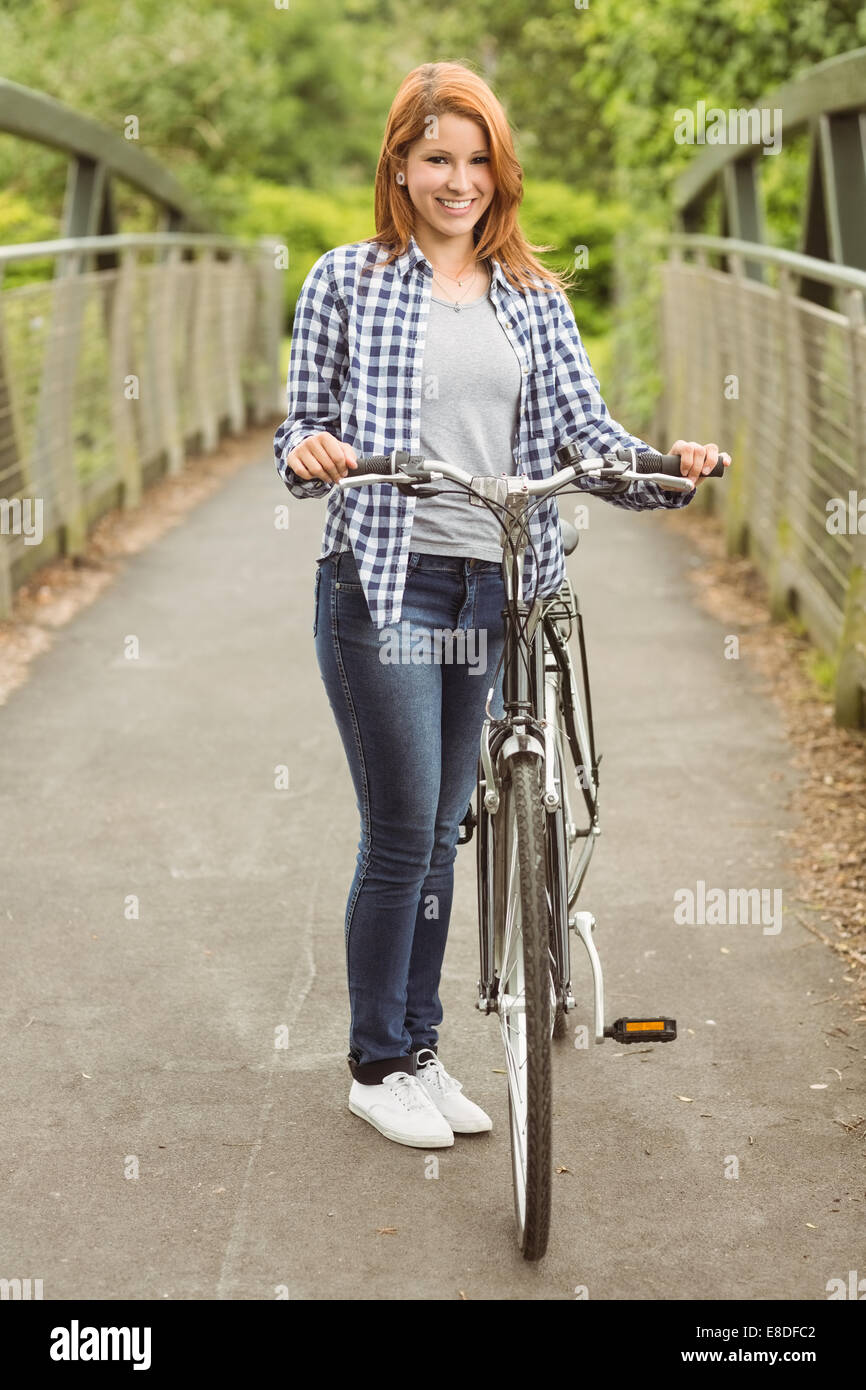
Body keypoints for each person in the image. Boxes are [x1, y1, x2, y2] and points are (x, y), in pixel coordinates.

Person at [274, 60, 729, 1150]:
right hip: (383, 580)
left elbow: (588, 437)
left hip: (494, 580)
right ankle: (375, 1062)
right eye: (436, 158)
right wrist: (315, 452)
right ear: (398, 164)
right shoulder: (346, 280)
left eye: (476, 161)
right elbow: (295, 433)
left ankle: (419, 1050)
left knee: (440, 830)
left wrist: (668, 466)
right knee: (401, 827)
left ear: (498, 172)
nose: (457, 180)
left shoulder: (530, 294)